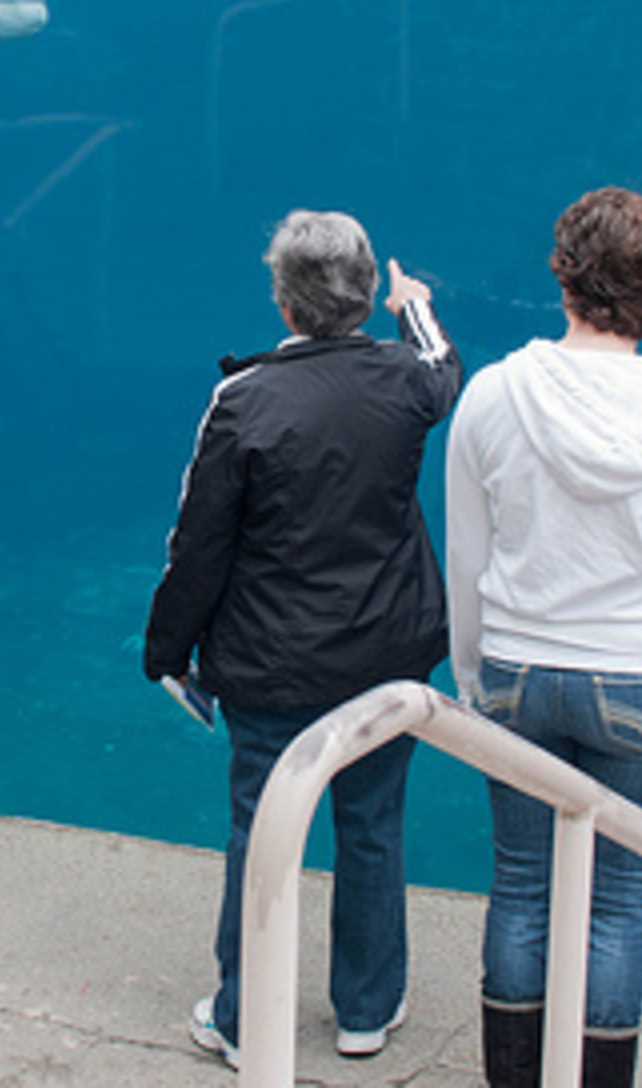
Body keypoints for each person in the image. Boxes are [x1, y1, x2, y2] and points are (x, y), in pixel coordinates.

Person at [141, 209, 462, 1069]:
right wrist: (413, 303)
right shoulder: (405, 382)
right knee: (371, 826)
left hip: (270, 667)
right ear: (361, 296)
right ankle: (366, 1010)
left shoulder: (242, 400)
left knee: (262, 832)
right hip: (387, 660)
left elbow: (198, 545)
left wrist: (167, 651)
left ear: (283, 300)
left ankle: (245, 1020)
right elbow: (442, 367)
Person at [444, 187, 642, 1088]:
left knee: (522, 885)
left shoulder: (493, 394)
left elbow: (466, 556)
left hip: (514, 674)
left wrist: (470, 677)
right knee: (619, 904)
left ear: (563, 273)